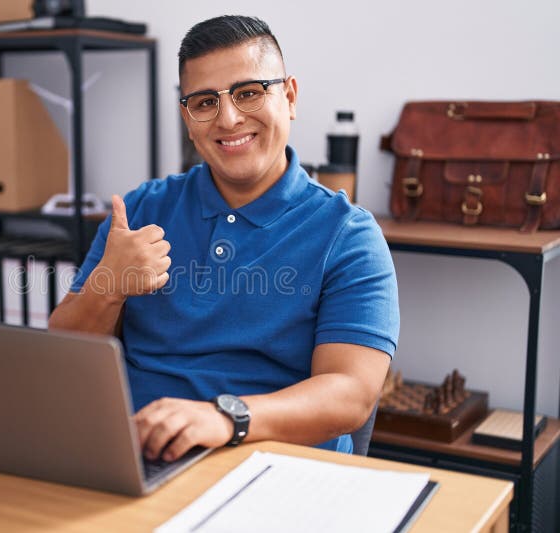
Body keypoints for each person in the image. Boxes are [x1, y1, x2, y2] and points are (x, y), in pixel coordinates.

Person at [48, 15, 398, 461]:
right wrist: (108, 288)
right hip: (134, 458)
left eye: (249, 93)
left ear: (289, 97)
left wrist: (225, 417)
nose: (229, 119)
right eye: (205, 102)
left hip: (274, 469)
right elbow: (63, 356)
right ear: (187, 118)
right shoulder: (138, 212)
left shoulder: (349, 236)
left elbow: (350, 395)